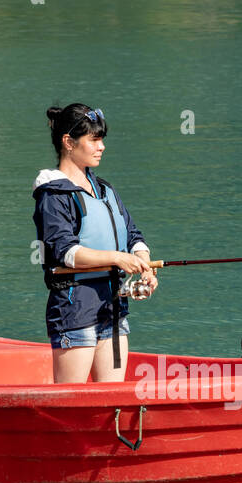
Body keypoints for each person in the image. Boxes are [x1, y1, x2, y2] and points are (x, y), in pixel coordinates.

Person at [33, 104, 158, 383]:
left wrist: (144, 265)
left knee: (112, 400)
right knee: (70, 404)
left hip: (113, 310)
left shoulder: (106, 190)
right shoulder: (53, 195)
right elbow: (65, 252)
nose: (101, 147)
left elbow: (133, 235)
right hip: (74, 311)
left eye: (101, 139)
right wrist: (117, 258)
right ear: (68, 142)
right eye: (93, 139)